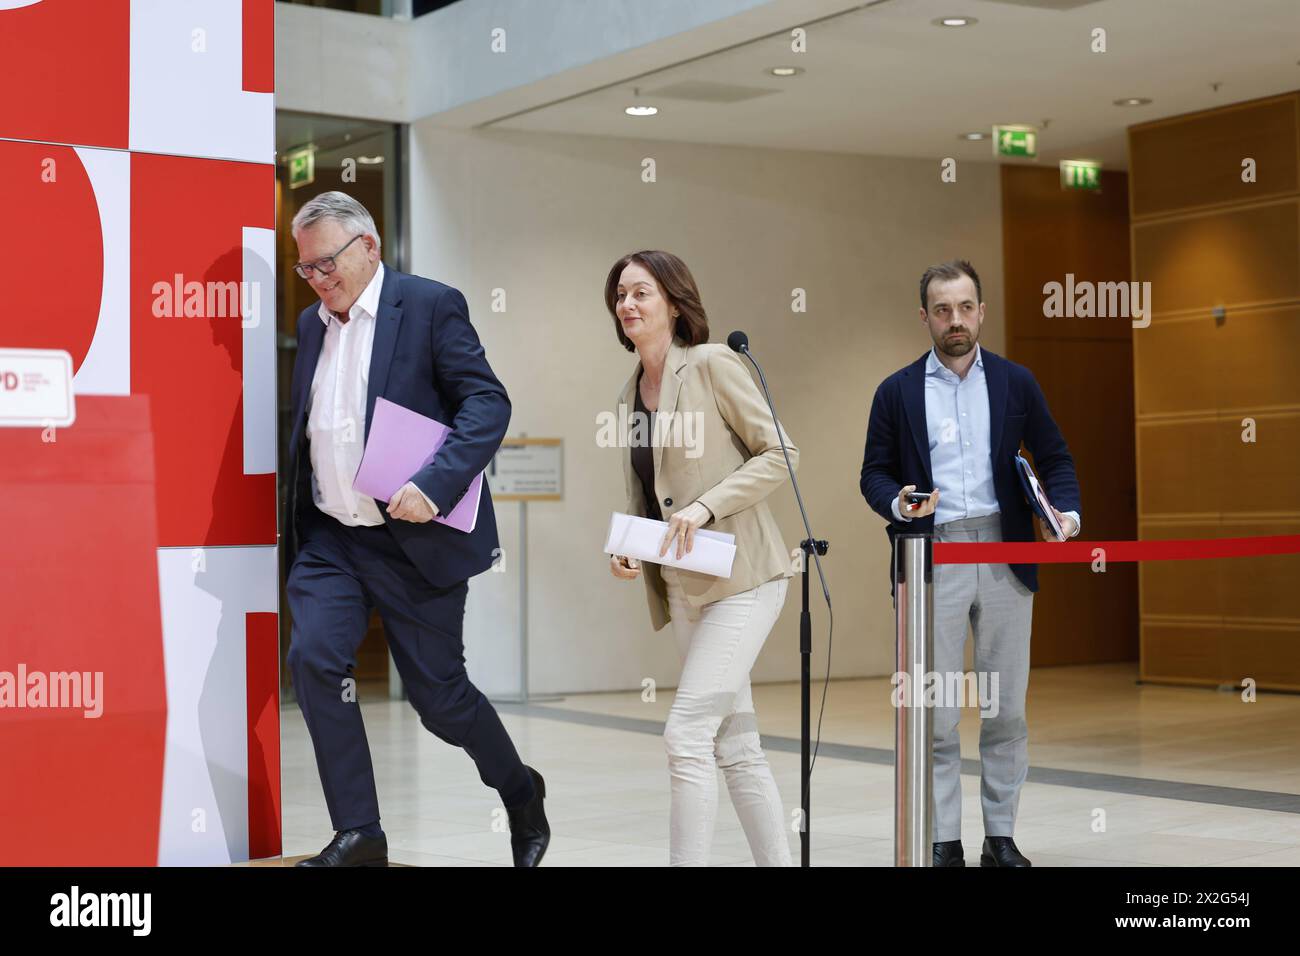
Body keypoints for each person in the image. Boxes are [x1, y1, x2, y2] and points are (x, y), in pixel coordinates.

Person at [284, 191, 548, 867]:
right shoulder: (314, 326)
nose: (317, 278)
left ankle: (519, 791)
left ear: (369, 246)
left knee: (440, 700)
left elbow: (487, 402)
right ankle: (360, 832)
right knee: (315, 659)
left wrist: (434, 485)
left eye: (328, 262)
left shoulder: (429, 305)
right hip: (332, 539)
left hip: (412, 542)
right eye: (306, 268)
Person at [859, 259, 1081, 868]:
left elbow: (1056, 457)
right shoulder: (896, 390)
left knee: (1006, 707)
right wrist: (898, 502)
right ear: (925, 316)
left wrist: (1066, 515)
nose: (955, 320)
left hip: (1007, 553)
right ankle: (943, 840)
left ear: (981, 311)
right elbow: (873, 473)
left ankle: (1001, 838)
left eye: (965, 307)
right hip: (933, 556)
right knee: (934, 711)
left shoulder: (1016, 382)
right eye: (942, 309)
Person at [604, 250, 797, 866]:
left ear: (673, 302)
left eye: (641, 293)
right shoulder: (628, 393)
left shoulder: (713, 364)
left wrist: (706, 507)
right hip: (685, 585)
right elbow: (645, 494)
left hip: (745, 577)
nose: (627, 305)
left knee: (686, 735)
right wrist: (627, 547)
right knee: (736, 745)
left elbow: (780, 453)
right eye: (620, 295)